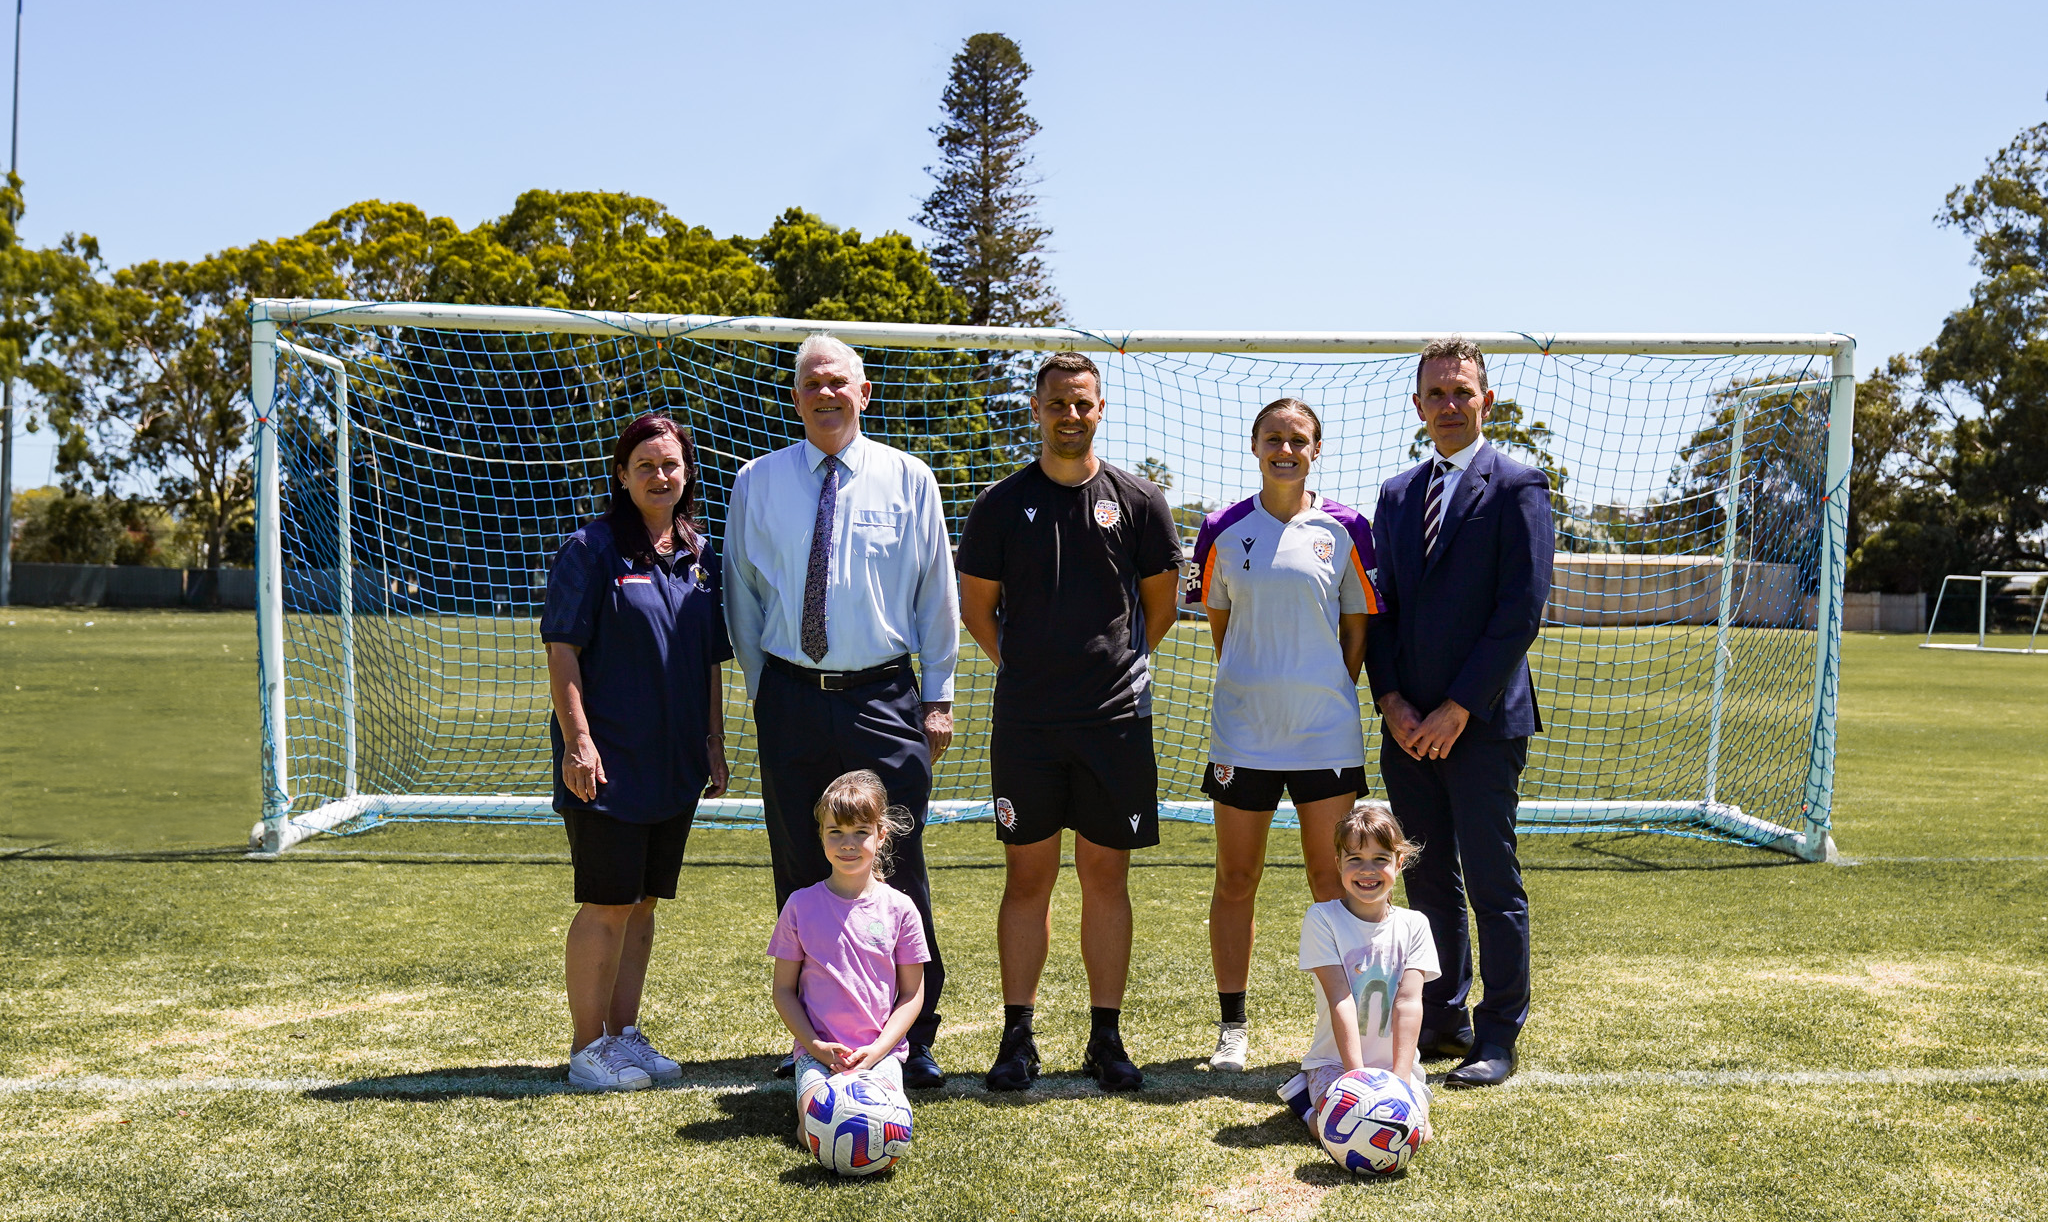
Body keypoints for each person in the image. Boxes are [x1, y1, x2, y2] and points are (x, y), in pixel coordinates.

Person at [724, 333, 958, 1089]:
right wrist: (766, 695)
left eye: (839, 383)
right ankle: (814, 1038)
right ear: (795, 397)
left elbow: (935, 595)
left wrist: (938, 696)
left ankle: (912, 1036)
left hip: (886, 700)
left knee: (899, 867)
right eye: (810, 383)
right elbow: (743, 596)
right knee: (801, 866)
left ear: (864, 393)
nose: (825, 395)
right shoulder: (757, 481)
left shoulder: (909, 478)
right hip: (790, 698)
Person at [955, 351, 1183, 1093]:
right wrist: (1027, 668)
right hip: (1028, 724)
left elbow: (1157, 610)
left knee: (1105, 877)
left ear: (1101, 408)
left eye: (1083, 403)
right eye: (1058, 403)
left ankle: (1105, 1036)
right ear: (1037, 409)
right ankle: (1017, 1036)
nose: (1070, 415)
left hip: (1115, 722)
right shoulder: (999, 504)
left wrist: (1108, 669)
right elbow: (976, 612)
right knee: (1028, 878)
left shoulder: (1140, 501)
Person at [1366, 336, 1553, 1089]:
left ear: (1487, 402)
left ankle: (1499, 1033)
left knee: (1489, 876)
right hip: (1407, 730)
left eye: (1461, 392)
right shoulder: (1396, 494)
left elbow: (1520, 611)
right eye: (1435, 394)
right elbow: (1380, 611)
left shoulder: (1518, 486)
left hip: (1482, 726)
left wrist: (1456, 710)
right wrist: (1392, 702)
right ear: (1418, 406)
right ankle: (1444, 1014)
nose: (1448, 405)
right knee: (1427, 880)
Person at [1185, 397, 1382, 1074]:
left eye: (1298, 440)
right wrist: (1259, 683)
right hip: (1244, 736)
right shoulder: (1221, 528)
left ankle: (1343, 1031)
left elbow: (1357, 631)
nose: (1286, 450)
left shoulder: (1348, 527)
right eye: (1274, 438)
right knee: (1236, 877)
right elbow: (1221, 627)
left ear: (1316, 450)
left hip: (1325, 736)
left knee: (1334, 880)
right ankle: (1233, 1028)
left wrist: (1322, 686)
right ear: (1255, 445)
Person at [541, 412, 732, 1092]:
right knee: (607, 904)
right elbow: (563, 650)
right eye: (645, 465)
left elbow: (710, 659)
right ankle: (586, 1047)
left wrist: (712, 742)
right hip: (609, 762)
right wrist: (579, 743)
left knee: (645, 903)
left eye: (671, 465)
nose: (660, 475)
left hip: (674, 762)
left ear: (686, 475)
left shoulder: (701, 554)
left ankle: (623, 1037)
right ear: (622, 475)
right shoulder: (591, 549)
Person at [769, 770, 929, 1144]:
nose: (848, 844)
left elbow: (912, 995)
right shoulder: (799, 906)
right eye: (835, 832)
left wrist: (876, 1051)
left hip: (880, 1053)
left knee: (885, 1133)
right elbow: (782, 991)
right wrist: (816, 1047)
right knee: (812, 1135)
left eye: (861, 832)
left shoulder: (900, 909)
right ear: (821, 836)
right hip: (818, 1052)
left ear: (881, 834)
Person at [1277, 800, 1438, 1145]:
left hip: (1398, 1066)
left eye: (1380, 859)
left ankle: (1385, 1091)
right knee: (1331, 1131)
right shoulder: (1322, 919)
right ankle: (1304, 1103)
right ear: (1338, 864)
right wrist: (1356, 1081)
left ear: (1399, 862)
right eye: (1355, 860)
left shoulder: (1415, 925)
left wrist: (1399, 1079)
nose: (1368, 870)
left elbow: (1409, 1004)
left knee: (1419, 1135)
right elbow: (1341, 998)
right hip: (1336, 1063)